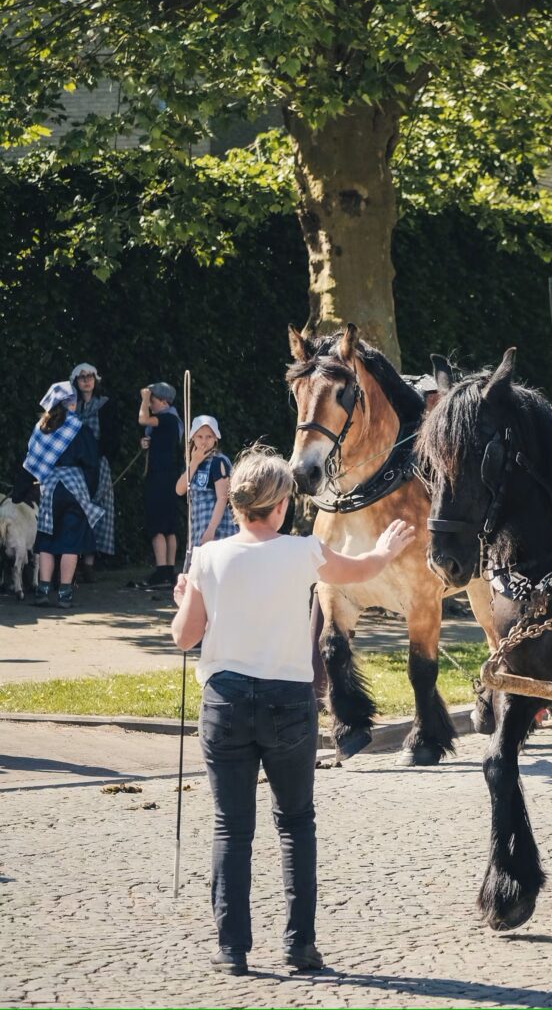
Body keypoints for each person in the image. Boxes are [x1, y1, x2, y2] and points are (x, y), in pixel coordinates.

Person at [170, 445, 417, 976]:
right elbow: (363, 569)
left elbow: (185, 637)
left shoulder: (207, 556)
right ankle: (299, 944)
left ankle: (232, 948)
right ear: (280, 505)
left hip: (227, 700)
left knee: (231, 828)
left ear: (237, 505)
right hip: (288, 701)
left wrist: (184, 596)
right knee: (296, 824)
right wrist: (389, 544)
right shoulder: (303, 551)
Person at [25, 382, 104, 608]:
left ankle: (43, 590)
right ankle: (65, 594)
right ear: (72, 402)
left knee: (47, 539)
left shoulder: (42, 427)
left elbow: (32, 461)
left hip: (49, 488)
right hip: (73, 488)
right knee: (71, 542)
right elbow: (92, 463)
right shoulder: (79, 428)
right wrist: (88, 490)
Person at [71, 362, 118, 580]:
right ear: (76, 382)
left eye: (90, 376)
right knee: (76, 510)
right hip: (75, 467)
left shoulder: (105, 405)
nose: (86, 380)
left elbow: (111, 439)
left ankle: (89, 563)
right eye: (82, 378)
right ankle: (73, 561)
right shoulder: (71, 406)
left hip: (98, 465)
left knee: (97, 510)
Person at [176, 415, 237, 569]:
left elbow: (222, 498)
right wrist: (194, 462)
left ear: (216, 439)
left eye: (209, 436)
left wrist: (211, 530)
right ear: (193, 439)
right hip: (198, 525)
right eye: (200, 436)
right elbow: (179, 489)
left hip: (216, 526)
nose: (204, 441)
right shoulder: (193, 462)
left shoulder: (219, 461)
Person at [138, 381, 182, 588]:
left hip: (160, 476)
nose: (151, 405)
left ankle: (162, 569)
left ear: (164, 402)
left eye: (154, 401)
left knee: (158, 525)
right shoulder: (172, 421)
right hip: (169, 475)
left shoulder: (166, 418)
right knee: (169, 526)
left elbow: (142, 419)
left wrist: (144, 399)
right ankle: (168, 569)